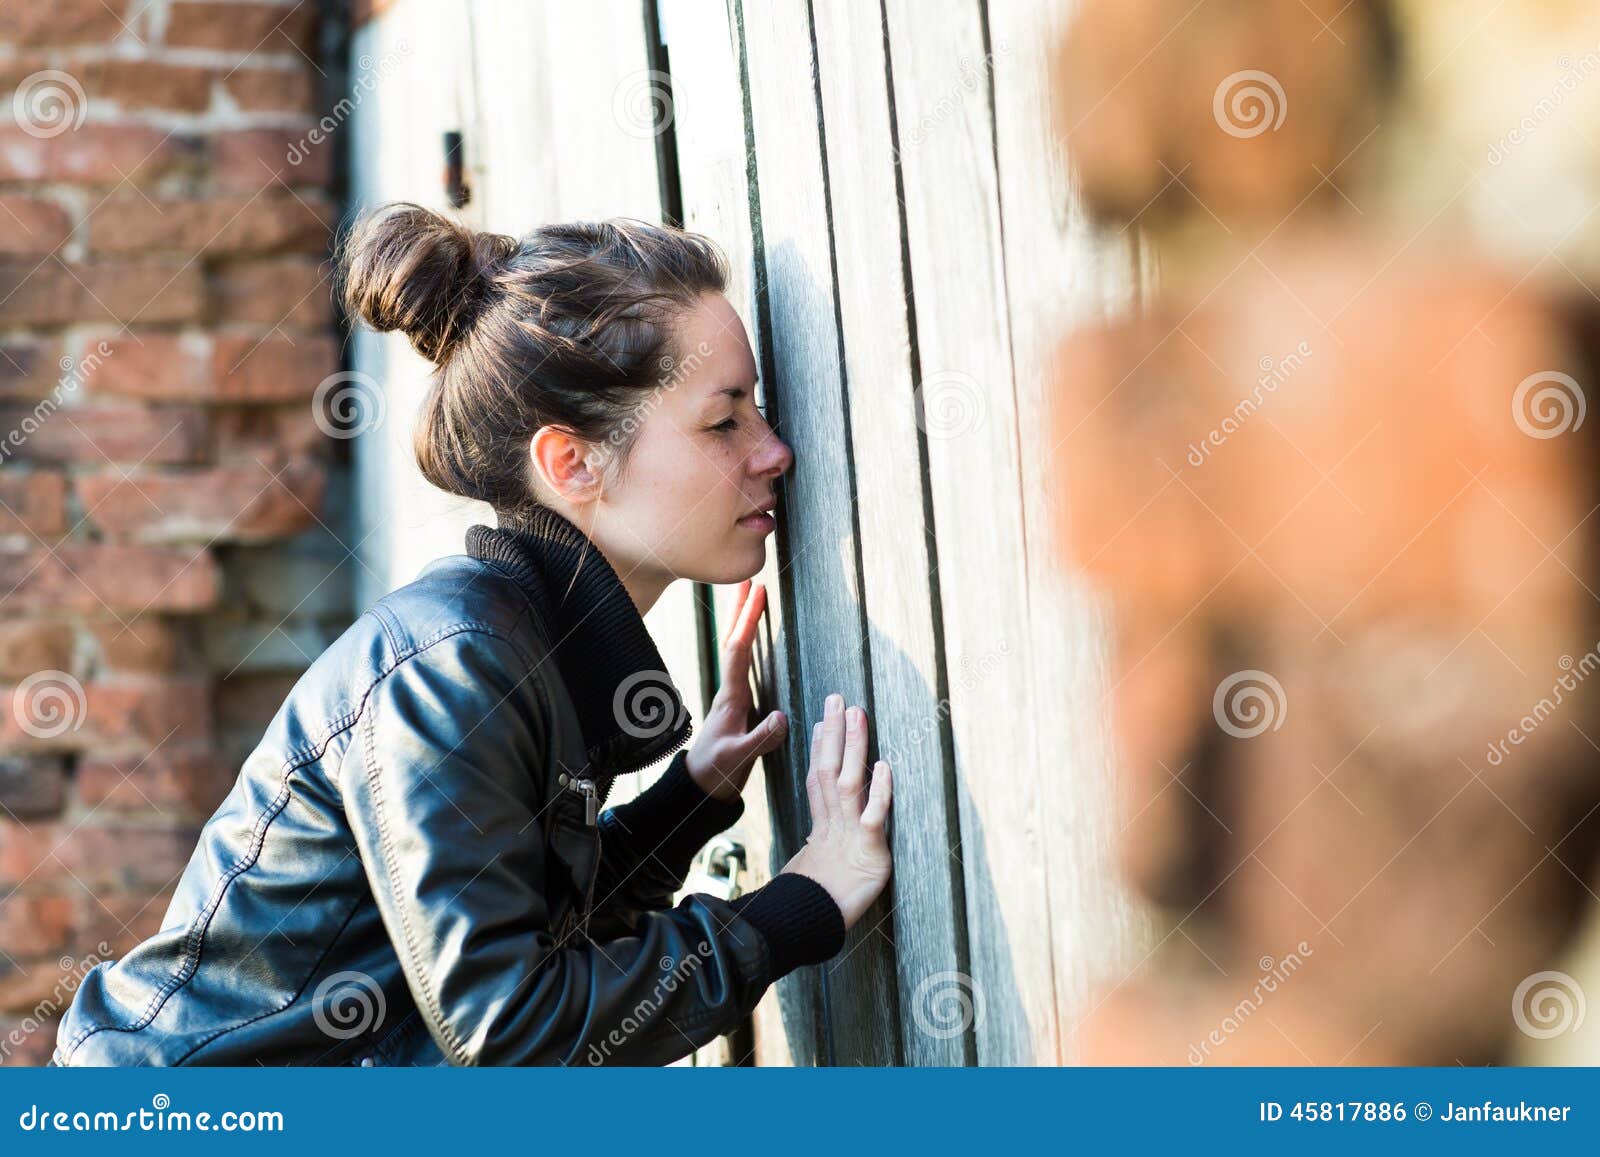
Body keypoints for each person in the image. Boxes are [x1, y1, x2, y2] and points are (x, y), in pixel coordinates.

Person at [50, 204, 894, 1067]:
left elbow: (514, 932)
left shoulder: (508, 648)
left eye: (759, 409)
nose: (775, 449)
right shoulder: (454, 669)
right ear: (572, 464)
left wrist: (691, 798)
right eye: (724, 422)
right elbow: (512, 1027)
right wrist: (805, 901)